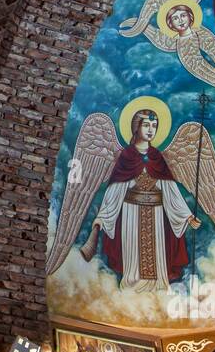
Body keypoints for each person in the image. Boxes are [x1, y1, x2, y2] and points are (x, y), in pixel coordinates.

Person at [84, 109, 201, 290]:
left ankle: (157, 288)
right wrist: (102, 217)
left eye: (154, 126)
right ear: (136, 127)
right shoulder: (126, 157)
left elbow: (170, 190)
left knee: (157, 255)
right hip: (132, 213)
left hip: (156, 215)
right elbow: (115, 190)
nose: (151, 130)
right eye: (146, 125)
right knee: (134, 258)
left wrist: (186, 216)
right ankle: (131, 287)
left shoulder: (157, 157)